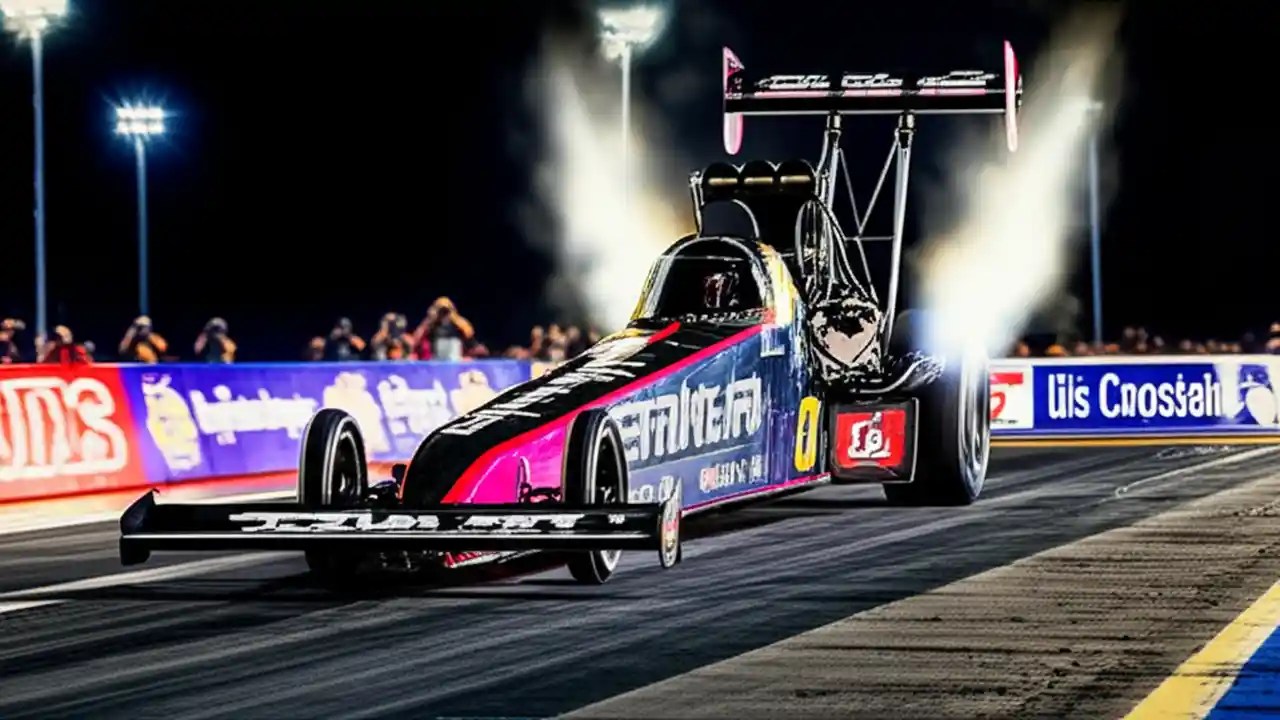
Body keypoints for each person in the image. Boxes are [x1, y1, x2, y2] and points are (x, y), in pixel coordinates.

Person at [413, 297, 474, 362]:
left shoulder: (459, 326)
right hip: (437, 362)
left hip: (456, 361)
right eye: (441, 311)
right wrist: (429, 319)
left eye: (446, 311)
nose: (444, 314)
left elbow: (471, 340)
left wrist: (455, 318)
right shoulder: (432, 327)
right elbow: (415, 341)